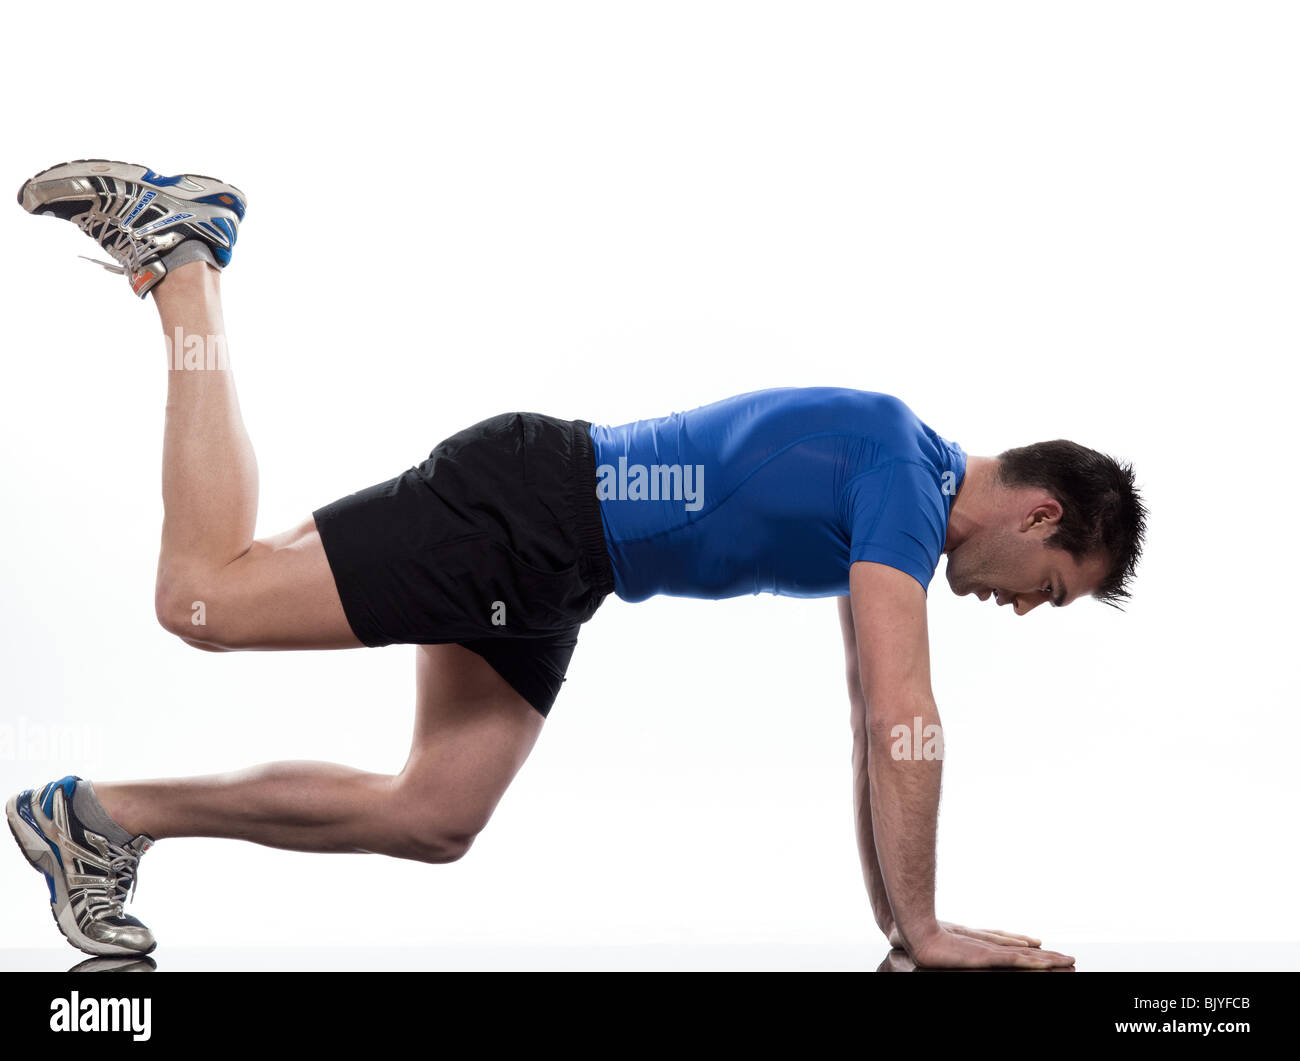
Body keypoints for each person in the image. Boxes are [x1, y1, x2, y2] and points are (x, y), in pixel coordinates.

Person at [7, 161, 1146, 969]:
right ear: (1039, 514)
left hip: (556, 555)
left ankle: (98, 820)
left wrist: (908, 930)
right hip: (531, 516)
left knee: (434, 814)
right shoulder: (903, 477)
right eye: (1049, 587)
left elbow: (870, 722)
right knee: (202, 593)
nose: (1022, 609)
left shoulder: (897, 476)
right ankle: (187, 262)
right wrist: (935, 928)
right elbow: (905, 715)